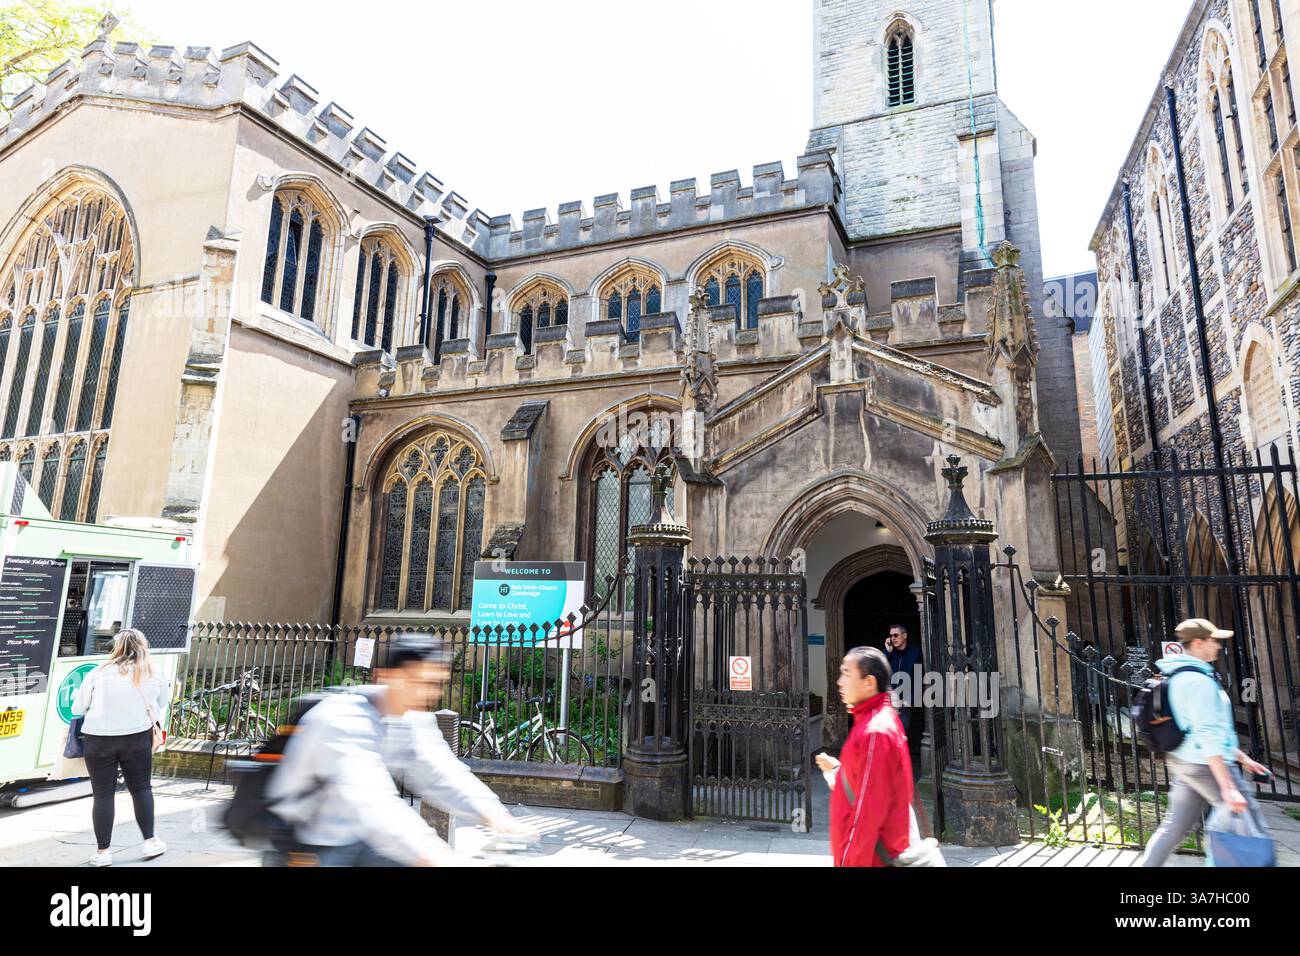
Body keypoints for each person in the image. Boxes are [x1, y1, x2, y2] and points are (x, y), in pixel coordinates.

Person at [266, 633, 533, 866]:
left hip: (357, 834)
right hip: (306, 842)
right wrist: (434, 855)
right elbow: (372, 803)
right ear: (386, 676)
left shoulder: (412, 718)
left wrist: (495, 814)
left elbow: (441, 772)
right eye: (417, 681)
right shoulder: (342, 720)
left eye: (435, 683)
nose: (427, 693)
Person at [1140, 618, 1273, 867]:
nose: (1219, 646)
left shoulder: (1178, 675)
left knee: (1174, 828)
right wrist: (1228, 786)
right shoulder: (1199, 682)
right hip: (1207, 765)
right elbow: (1208, 734)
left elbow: (1197, 728)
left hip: (1184, 761)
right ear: (1198, 642)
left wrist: (1243, 758)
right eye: (1214, 640)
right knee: (1249, 825)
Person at [70, 628, 169, 867]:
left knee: (103, 794)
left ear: (116, 647)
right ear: (144, 646)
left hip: (99, 740)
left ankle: (102, 853)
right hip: (137, 739)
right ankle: (150, 841)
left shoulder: (98, 673)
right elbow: (162, 704)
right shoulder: (154, 673)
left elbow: (77, 708)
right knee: (141, 789)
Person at [815, 646, 913, 867]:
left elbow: (868, 814)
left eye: (847, 674)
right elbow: (871, 784)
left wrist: (849, 860)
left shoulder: (875, 731)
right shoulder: (872, 721)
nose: (839, 681)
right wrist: (840, 769)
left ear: (869, 683)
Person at [884, 624, 922, 735]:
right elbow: (880, 669)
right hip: (889, 702)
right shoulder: (889, 653)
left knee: (899, 734)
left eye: (895, 635)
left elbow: (919, 677)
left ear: (904, 636)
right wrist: (888, 652)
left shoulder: (915, 653)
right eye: (891, 636)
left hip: (905, 703)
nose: (892, 638)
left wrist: (909, 701)